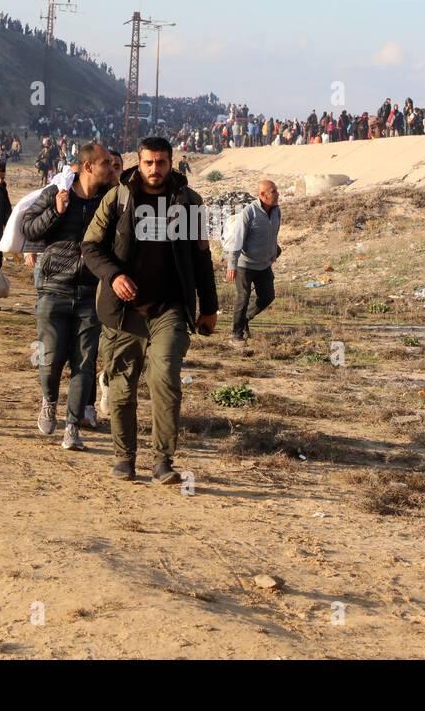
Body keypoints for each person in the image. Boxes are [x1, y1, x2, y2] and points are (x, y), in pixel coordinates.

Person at [82, 137, 219, 484]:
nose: (155, 169)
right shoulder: (120, 198)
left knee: (165, 380)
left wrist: (210, 307)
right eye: (148, 163)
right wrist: (113, 276)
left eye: (161, 162)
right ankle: (124, 458)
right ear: (137, 163)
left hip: (169, 309)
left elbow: (201, 257)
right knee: (122, 388)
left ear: (171, 163)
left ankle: (162, 461)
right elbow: (91, 246)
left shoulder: (188, 203)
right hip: (123, 311)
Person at [22, 143, 115, 451]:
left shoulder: (108, 202)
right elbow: (29, 229)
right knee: (50, 357)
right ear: (88, 167)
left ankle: (72, 427)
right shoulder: (56, 193)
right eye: (106, 164)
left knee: (85, 362)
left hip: (91, 293)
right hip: (53, 289)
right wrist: (56, 212)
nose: (111, 169)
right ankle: (49, 401)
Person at [226, 180, 282, 345]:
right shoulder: (248, 213)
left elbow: (273, 234)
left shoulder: (277, 211)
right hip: (245, 264)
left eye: (277, 190)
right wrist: (232, 265)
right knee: (243, 298)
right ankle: (236, 335)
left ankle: (245, 320)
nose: (278, 194)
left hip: (264, 264)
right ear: (263, 195)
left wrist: (273, 253)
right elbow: (237, 240)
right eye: (274, 191)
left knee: (267, 296)